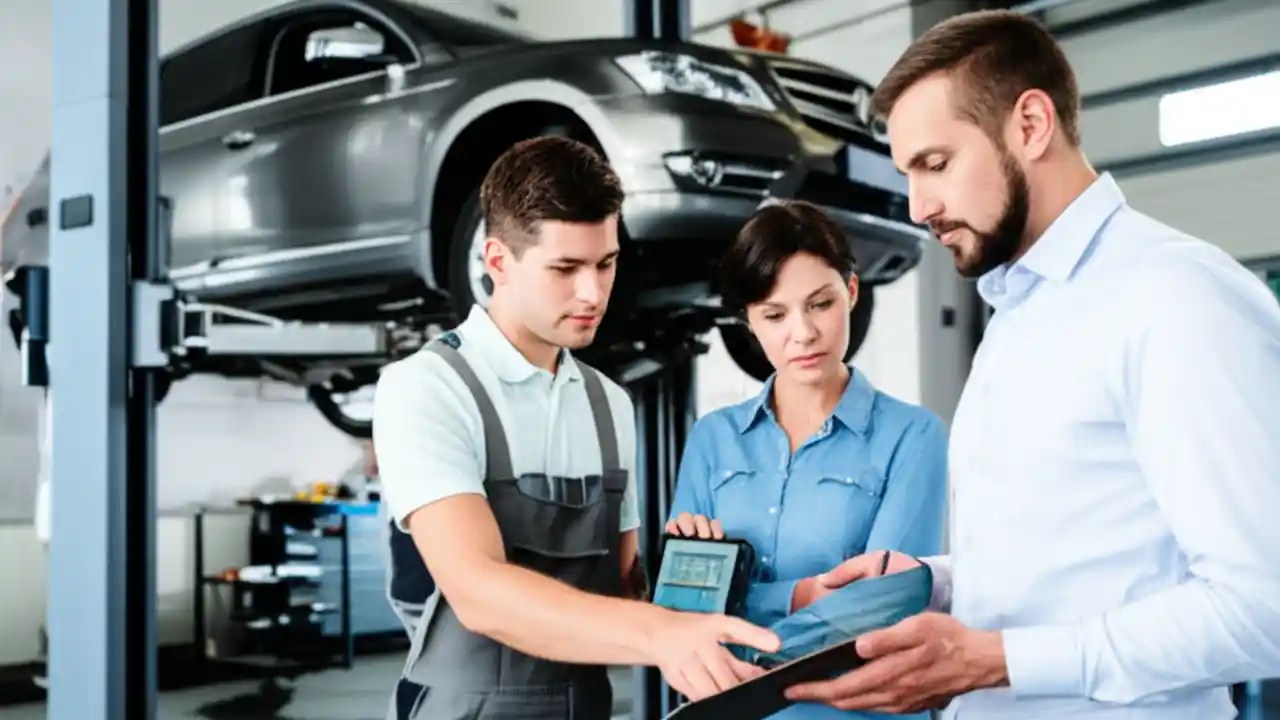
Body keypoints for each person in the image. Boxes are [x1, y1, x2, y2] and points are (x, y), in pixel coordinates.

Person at [782, 10, 1280, 719]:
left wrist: (993, 660)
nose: (919, 205)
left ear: (1032, 125)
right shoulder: (1019, 309)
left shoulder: (1175, 295)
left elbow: (1265, 607)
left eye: (935, 163)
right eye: (908, 173)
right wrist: (932, 583)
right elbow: (1080, 564)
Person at [372, 135, 778, 719]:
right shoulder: (428, 386)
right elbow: (479, 592)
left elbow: (623, 591)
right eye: (565, 268)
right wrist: (657, 632)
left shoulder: (608, 403)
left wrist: (706, 576)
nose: (592, 293)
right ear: (497, 262)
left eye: (606, 263)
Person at [664, 199, 949, 719]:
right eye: (775, 315)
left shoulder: (914, 436)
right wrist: (802, 596)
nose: (803, 333)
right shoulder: (713, 440)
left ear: (852, 292)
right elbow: (678, 614)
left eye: (820, 304)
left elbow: (887, 604)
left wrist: (737, 633)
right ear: (749, 321)